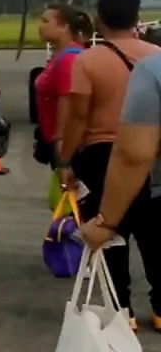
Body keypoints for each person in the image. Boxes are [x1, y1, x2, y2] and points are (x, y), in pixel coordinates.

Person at [59, 0, 161, 326]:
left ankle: (122, 310)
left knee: (111, 233)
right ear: (136, 17)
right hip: (153, 155)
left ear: (99, 20)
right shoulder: (154, 56)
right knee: (153, 232)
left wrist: (65, 158)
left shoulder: (88, 60)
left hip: (100, 155)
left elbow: (77, 116)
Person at [80, 50, 161, 332]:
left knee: (127, 238)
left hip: (108, 158)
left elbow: (134, 154)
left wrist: (107, 221)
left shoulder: (152, 69)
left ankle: (121, 309)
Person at [34, 2, 92, 167]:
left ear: (64, 27)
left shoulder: (68, 59)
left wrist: (61, 141)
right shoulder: (60, 55)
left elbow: (66, 101)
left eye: (45, 21)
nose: (40, 26)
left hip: (66, 144)